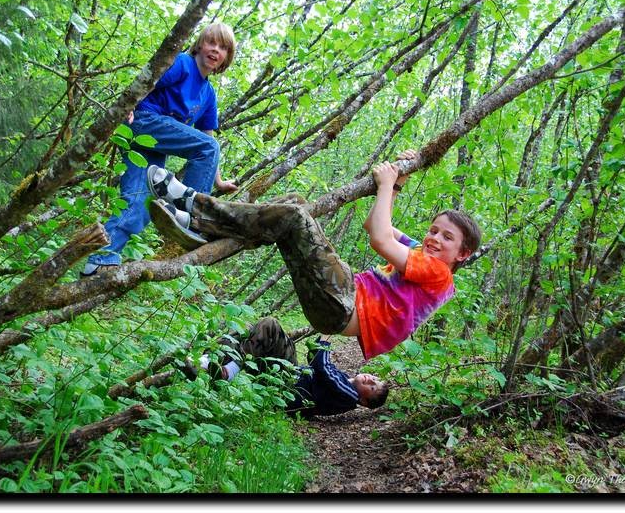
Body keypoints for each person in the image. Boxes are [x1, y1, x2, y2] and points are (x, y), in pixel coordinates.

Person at [146, 150, 481, 360]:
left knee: (293, 216)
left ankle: (193, 204)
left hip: (346, 303)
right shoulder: (420, 256)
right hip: (339, 301)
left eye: (446, 237)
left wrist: (385, 185)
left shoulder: (438, 273)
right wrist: (395, 185)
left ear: (462, 254)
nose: (434, 238)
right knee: (291, 206)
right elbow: (375, 224)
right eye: (433, 230)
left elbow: (380, 238)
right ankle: (199, 227)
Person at [82, 23, 239, 276]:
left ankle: (100, 259)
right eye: (212, 43)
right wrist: (127, 104)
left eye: (223, 48)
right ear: (200, 44)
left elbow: (207, 137)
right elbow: (149, 80)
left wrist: (219, 182)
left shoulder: (208, 94)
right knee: (208, 148)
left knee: (140, 203)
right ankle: (195, 216)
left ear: (226, 58)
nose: (215, 50)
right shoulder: (183, 64)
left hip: (152, 143)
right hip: (142, 121)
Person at [183, 317, 389, 417]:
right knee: (249, 332)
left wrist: (328, 335)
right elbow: (316, 363)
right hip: (285, 381)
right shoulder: (344, 384)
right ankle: (210, 363)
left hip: (287, 385)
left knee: (269, 327)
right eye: (375, 378)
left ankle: (226, 370)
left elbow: (321, 367)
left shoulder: (348, 395)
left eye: (372, 387)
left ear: (363, 401)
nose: (370, 379)